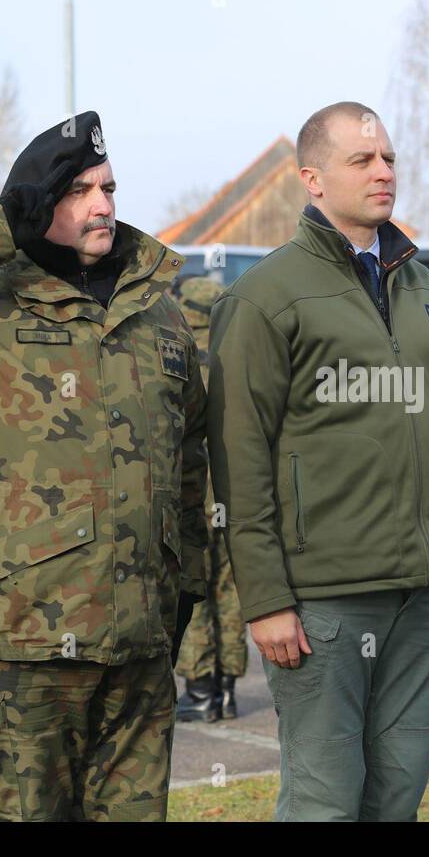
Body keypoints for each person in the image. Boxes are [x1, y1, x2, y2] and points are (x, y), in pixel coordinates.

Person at [207, 101, 429, 821]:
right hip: (324, 601)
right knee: (325, 800)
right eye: (362, 160)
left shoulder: (422, 287)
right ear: (311, 178)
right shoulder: (266, 298)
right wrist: (266, 598)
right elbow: (238, 460)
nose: (383, 172)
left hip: (424, 593)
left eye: (390, 158)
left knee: (398, 792)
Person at [0, 112, 208, 821]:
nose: (104, 206)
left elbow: (189, 457)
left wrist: (188, 587)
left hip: (140, 643)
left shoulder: (157, 312)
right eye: (78, 191)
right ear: (35, 203)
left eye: (109, 187)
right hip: (22, 642)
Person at [171, 275, 249, 721]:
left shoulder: (179, 358)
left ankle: (199, 691)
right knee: (232, 592)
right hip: (236, 495)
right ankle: (227, 690)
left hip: (195, 493)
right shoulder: (237, 359)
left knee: (193, 587)